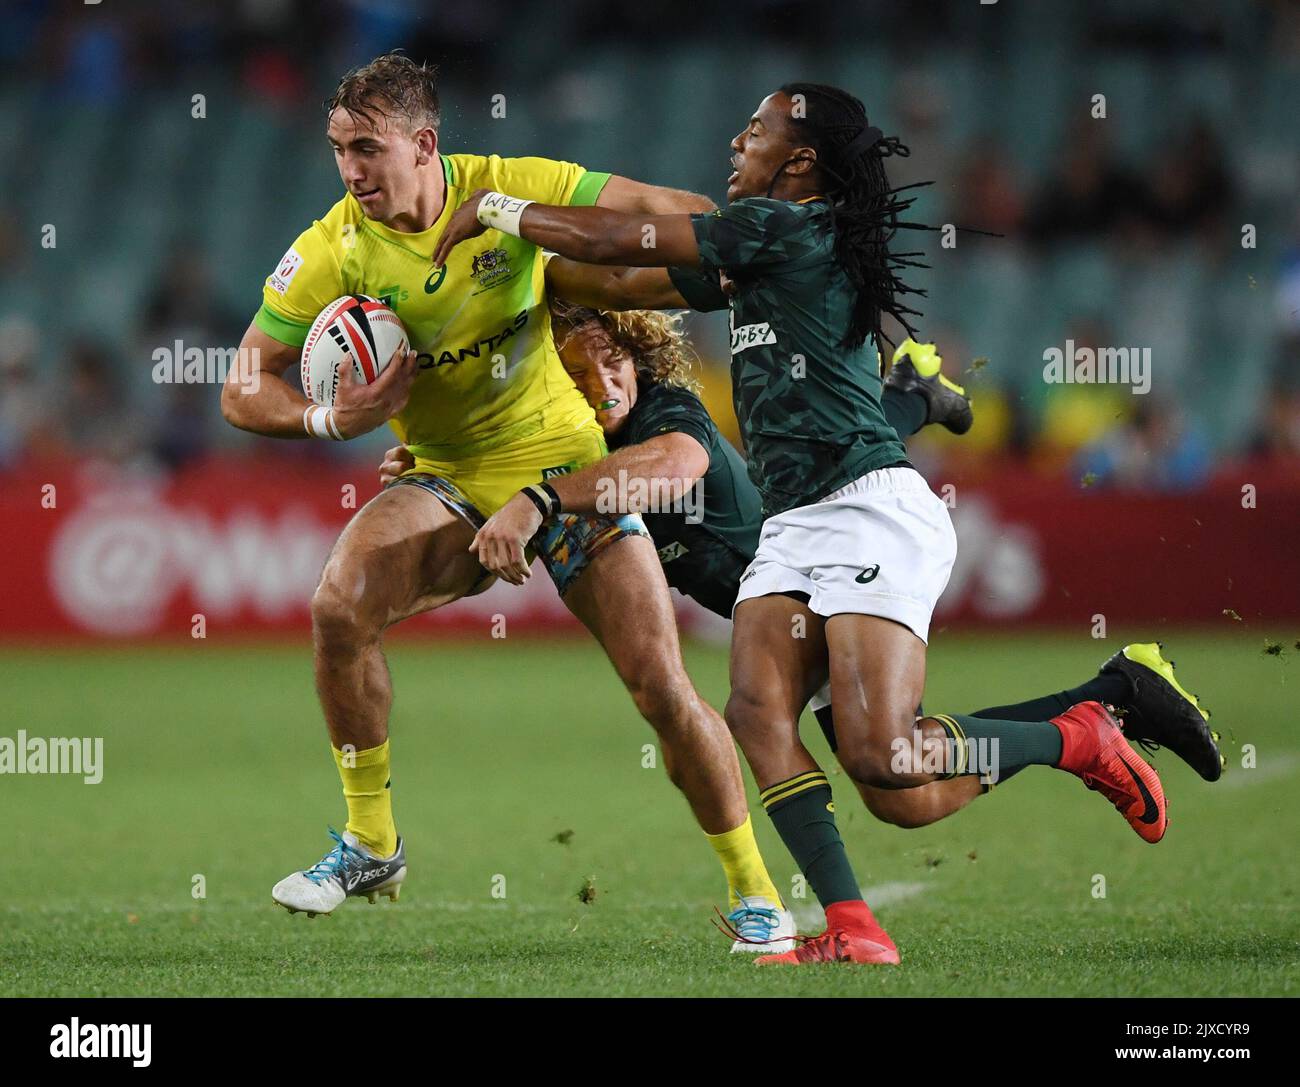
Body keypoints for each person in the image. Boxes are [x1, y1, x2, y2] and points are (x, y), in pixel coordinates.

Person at [430, 82, 1181, 965]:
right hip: (794, 526)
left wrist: (497, 208)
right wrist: (503, 295)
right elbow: (618, 275)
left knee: (889, 757)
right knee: (771, 720)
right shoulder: (765, 254)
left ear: (799, 162)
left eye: (754, 131)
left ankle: (1078, 735)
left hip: (869, 513)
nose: (735, 143)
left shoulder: (784, 226)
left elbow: (615, 236)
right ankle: (854, 926)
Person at [219, 52, 789, 950]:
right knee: (338, 607)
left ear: (425, 144)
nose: (352, 171)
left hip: (563, 470)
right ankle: (372, 841)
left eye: (368, 149)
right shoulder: (333, 247)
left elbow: (661, 210)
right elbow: (242, 383)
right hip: (445, 475)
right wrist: (334, 417)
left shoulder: (507, 190)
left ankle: (755, 889)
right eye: (338, 150)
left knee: (662, 689)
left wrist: (747, 237)